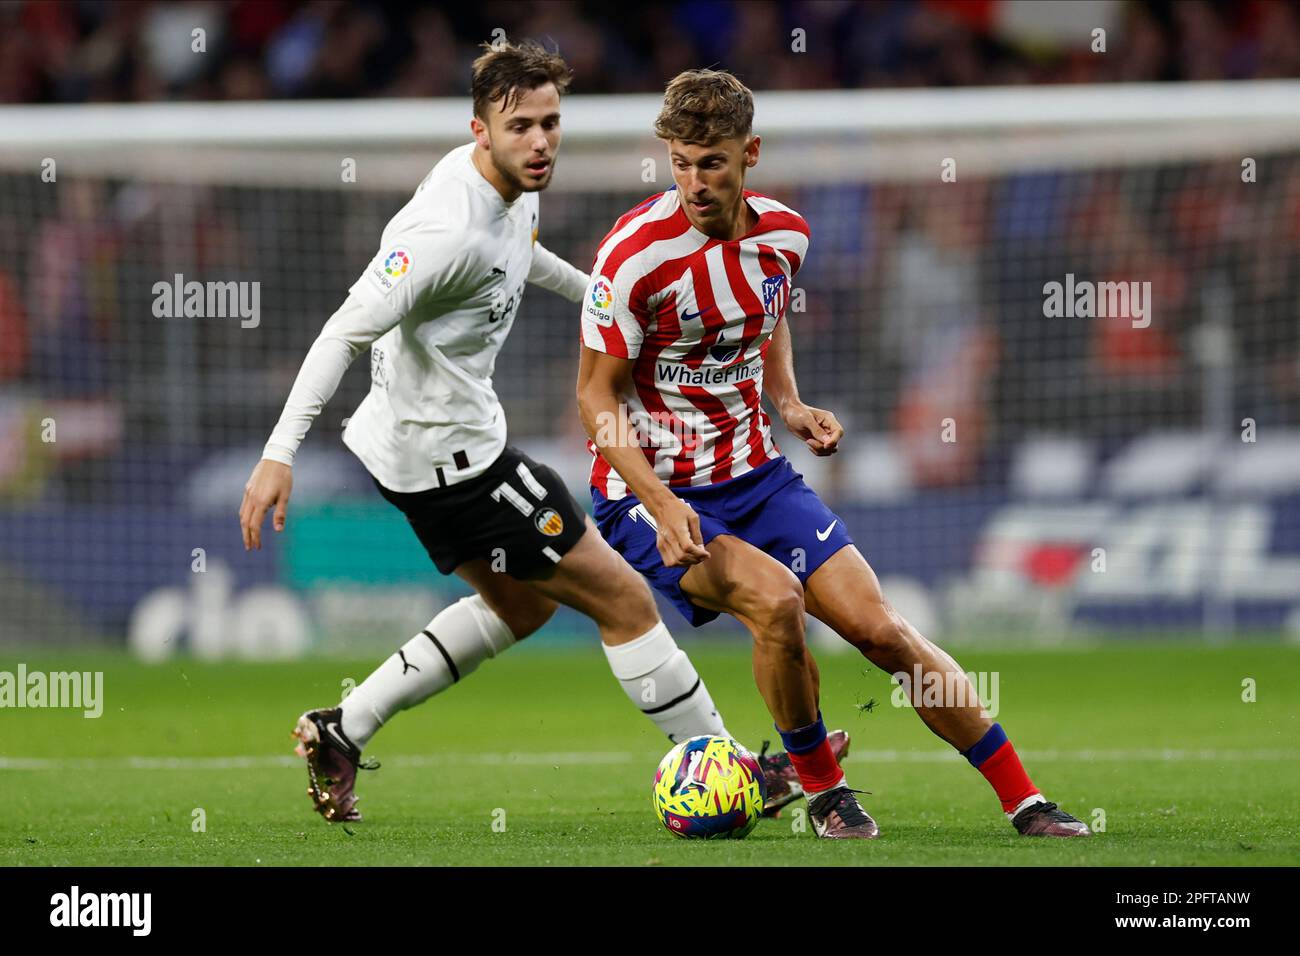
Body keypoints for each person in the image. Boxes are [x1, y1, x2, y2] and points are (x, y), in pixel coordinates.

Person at [238, 43, 828, 824]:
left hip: (415, 449)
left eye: (550, 123)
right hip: (456, 460)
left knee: (522, 606)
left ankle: (341, 730)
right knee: (624, 600)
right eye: (520, 127)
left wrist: (605, 300)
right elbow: (341, 333)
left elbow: (525, 256)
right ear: (479, 129)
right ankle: (742, 772)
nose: (541, 141)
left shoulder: (513, 188)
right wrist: (279, 454)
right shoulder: (443, 233)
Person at [576, 68, 1091, 839]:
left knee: (883, 632)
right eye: (680, 163)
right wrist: (659, 504)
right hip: (652, 496)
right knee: (777, 602)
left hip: (756, 476)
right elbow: (594, 396)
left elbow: (766, 318)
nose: (694, 181)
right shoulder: (633, 258)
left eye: (711, 162)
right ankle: (825, 792)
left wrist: (787, 401)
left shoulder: (785, 236)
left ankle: (1026, 801)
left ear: (750, 153)